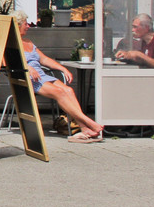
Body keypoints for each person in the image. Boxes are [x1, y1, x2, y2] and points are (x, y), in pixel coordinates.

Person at [12, 10, 103, 142]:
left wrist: (62, 68)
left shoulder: (28, 42)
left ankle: (84, 128)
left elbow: (44, 59)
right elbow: (7, 62)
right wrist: (27, 67)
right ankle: (88, 122)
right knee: (60, 93)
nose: (28, 26)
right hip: (27, 78)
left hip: (42, 75)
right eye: (25, 24)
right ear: (17, 25)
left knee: (68, 90)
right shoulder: (11, 42)